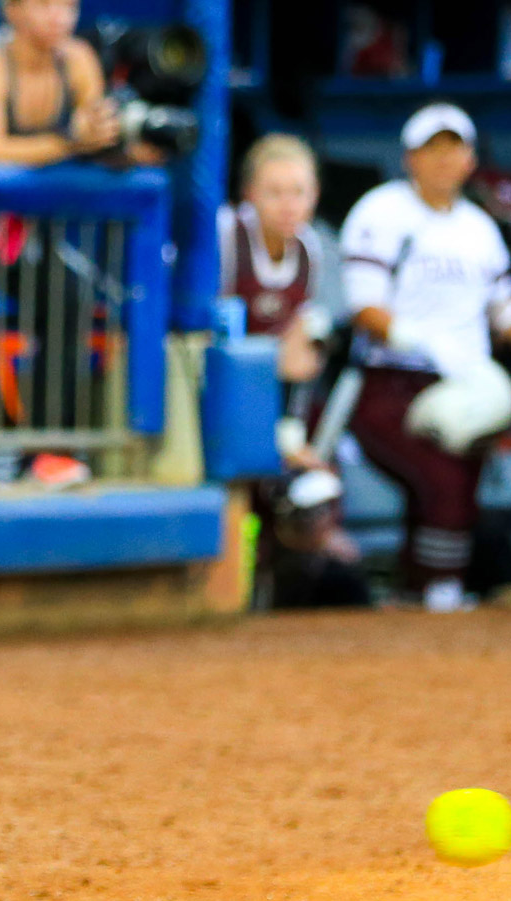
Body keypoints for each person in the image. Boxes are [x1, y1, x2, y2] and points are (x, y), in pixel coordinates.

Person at [340, 102, 511, 611]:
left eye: (455, 149)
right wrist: (418, 338)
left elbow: (507, 319)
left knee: (460, 477)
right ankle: (437, 589)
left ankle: (419, 586)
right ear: (410, 158)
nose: (445, 161)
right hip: (389, 377)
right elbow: (364, 306)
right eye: (433, 149)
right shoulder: (381, 212)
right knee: (439, 472)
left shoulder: (479, 229)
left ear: (471, 160)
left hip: (464, 380)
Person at [220, 133, 368, 606]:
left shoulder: (314, 249)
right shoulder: (226, 236)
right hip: (221, 398)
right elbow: (208, 339)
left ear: (315, 196)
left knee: (318, 477)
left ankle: (293, 577)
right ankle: (232, 584)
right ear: (249, 195)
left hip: (278, 404)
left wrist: (289, 434)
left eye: (298, 192)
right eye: (274, 191)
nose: (288, 205)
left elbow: (305, 356)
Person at [0, 0, 118, 165]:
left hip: (38, 196)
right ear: (12, 10)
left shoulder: (79, 60)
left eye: (69, 5)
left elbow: (97, 135)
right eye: (43, 4)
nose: (60, 17)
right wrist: (70, 142)